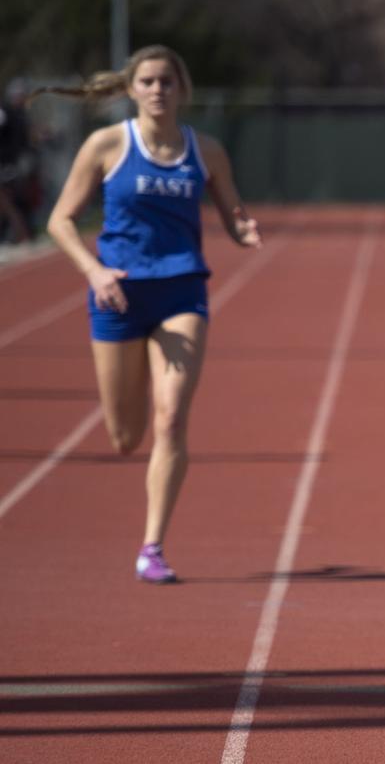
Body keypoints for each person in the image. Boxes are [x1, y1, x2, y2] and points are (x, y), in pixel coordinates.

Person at [41, 45, 262, 584]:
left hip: (181, 294)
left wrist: (243, 231)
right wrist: (95, 272)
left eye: (167, 81)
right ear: (131, 89)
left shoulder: (206, 151)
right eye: (147, 81)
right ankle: (136, 388)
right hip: (117, 295)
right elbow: (60, 221)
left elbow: (233, 214)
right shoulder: (107, 144)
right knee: (124, 435)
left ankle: (152, 546)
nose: (158, 90)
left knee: (171, 419)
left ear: (182, 89)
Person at [0, 78, 39, 244]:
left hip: (14, 162)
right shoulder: (6, 112)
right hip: (7, 161)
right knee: (8, 199)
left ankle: (23, 233)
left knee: (14, 198)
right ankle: (18, 233)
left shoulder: (19, 114)